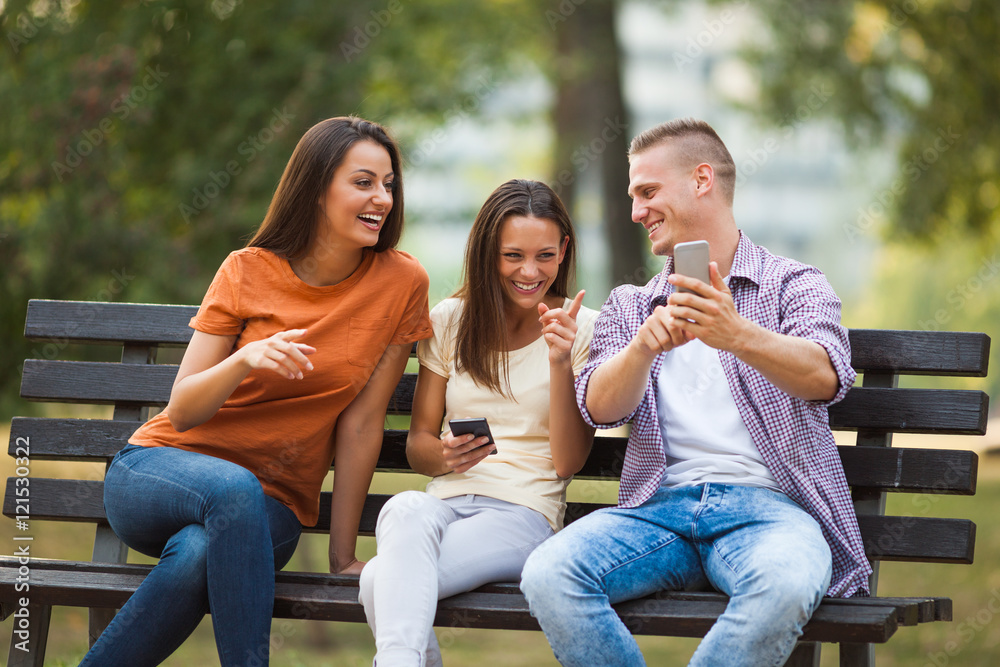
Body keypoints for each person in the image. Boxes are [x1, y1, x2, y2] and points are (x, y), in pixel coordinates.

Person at [80, 116, 432, 667]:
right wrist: (244, 359)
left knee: (200, 551)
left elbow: (362, 424)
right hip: (157, 472)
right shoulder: (246, 271)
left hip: (273, 509)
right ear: (317, 189)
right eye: (363, 182)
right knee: (233, 490)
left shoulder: (402, 282)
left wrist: (343, 558)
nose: (382, 198)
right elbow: (184, 409)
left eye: (388, 184)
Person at [519, 118, 871, 667]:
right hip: (658, 514)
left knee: (784, 585)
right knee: (549, 574)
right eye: (633, 196)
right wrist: (641, 350)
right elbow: (597, 407)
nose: (637, 211)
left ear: (702, 179)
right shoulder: (633, 305)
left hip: (769, 510)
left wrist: (737, 335)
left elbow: (826, 374)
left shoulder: (794, 284)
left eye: (648, 192)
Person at [358, 178, 598, 666]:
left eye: (545, 256)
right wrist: (445, 456)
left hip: (523, 513)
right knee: (403, 509)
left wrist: (560, 360)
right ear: (489, 251)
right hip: (442, 506)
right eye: (513, 256)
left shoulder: (583, 327)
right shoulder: (450, 320)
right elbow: (419, 445)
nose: (530, 272)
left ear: (564, 250)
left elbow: (568, 461)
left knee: (378, 579)